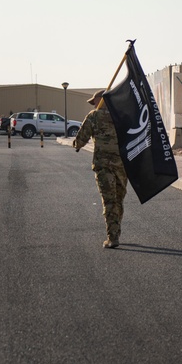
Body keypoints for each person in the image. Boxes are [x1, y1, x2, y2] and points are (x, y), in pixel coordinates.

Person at [72, 89, 127, 248]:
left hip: (103, 165)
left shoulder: (94, 116)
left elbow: (81, 139)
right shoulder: (122, 116)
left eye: (94, 101)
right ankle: (116, 232)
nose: (93, 105)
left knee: (110, 201)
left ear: (102, 100)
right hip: (122, 166)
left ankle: (113, 237)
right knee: (118, 200)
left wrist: (76, 145)